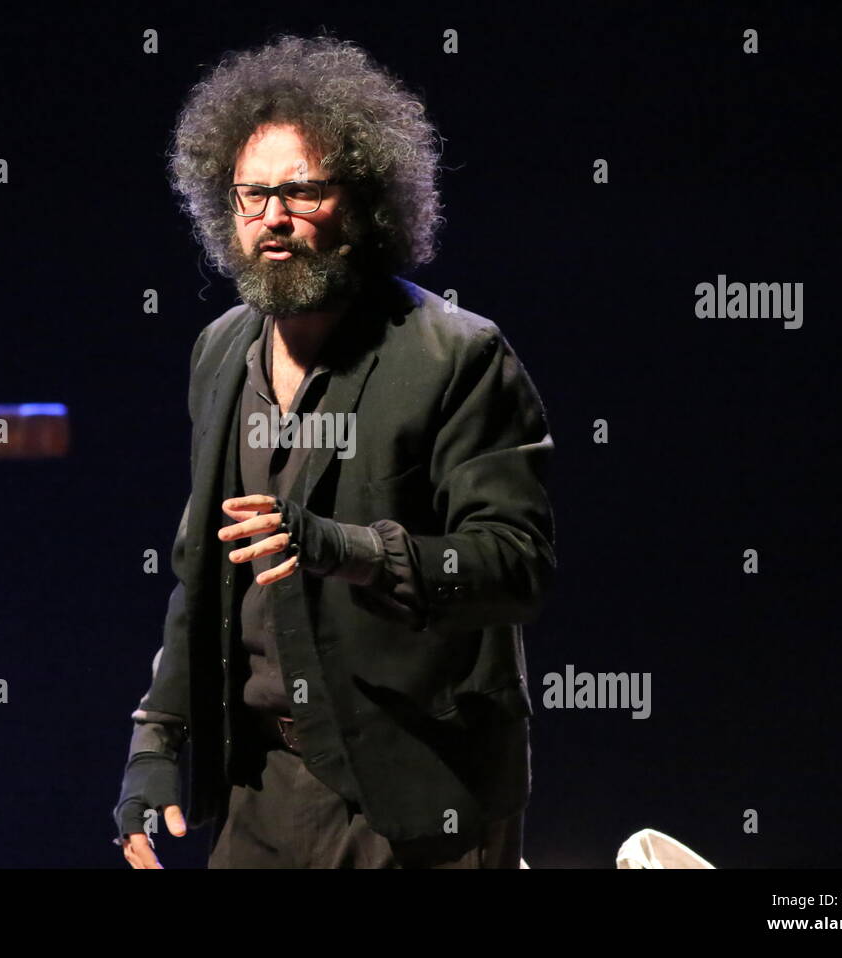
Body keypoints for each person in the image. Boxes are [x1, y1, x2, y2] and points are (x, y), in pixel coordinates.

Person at [113, 34, 555, 868]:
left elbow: (515, 566)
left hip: (421, 788)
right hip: (263, 785)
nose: (273, 218)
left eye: (302, 191)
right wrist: (156, 742)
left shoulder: (456, 356)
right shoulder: (220, 352)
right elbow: (200, 572)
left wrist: (342, 548)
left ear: (363, 200)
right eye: (252, 197)